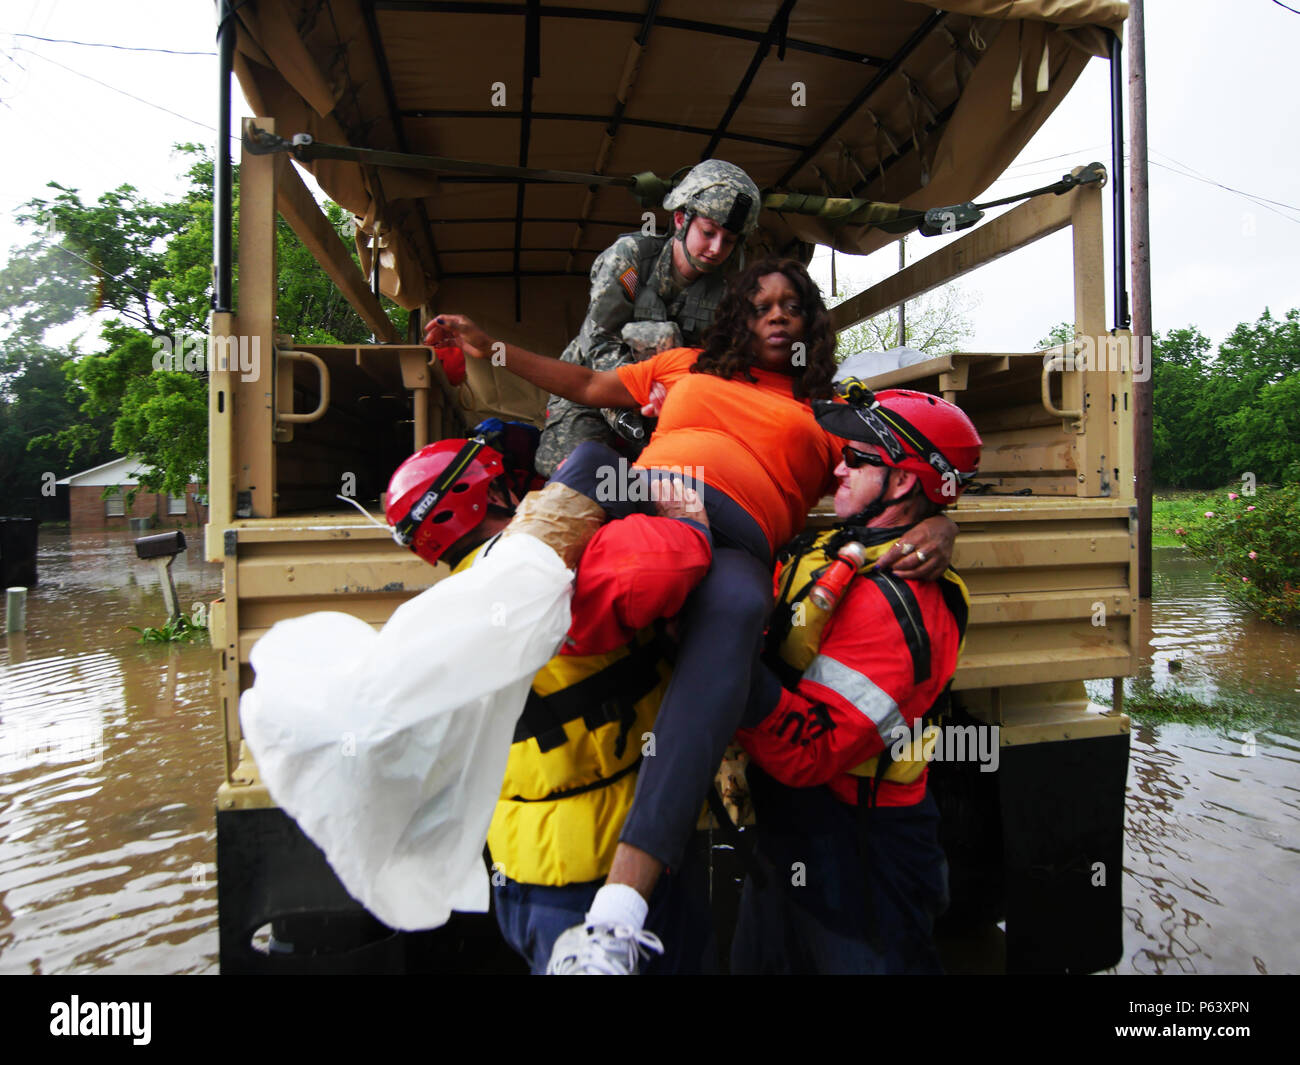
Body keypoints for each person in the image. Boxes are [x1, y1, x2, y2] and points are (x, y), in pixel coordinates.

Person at [423, 260, 959, 973]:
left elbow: (912, 461)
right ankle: (452, 641)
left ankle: (618, 914)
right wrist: (488, 347)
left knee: (737, 612)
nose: (777, 315)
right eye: (761, 305)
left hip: (737, 538)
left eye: (792, 306)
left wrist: (943, 523)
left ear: (810, 323)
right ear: (739, 317)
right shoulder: (686, 365)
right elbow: (584, 385)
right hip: (644, 490)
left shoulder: (828, 410)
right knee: (588, 457)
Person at [385, 429, 716, 974]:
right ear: (492, 495)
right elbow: (660, 566)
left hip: (523, 875)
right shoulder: (550, 572)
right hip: (606, 879)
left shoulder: (444, 610)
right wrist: (689, 526)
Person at [730, 385, 982, 974]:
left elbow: (808, 752)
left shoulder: (902, 605)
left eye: (855, 459)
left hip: (863, 844)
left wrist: (720, 664)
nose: (837, 469)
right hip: (793, 825)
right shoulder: (834, 545)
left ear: (902, 481)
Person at [533, 159, 761, 476]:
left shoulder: (729, 290)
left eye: (729, 241)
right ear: (680, 219)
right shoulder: (631, 261)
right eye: (708, 232)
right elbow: (599, 342)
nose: (716, 248)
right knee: (579, 476)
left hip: (665, 407)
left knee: (685, 483)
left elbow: (720, 364)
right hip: (590, 392)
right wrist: (640, 388)